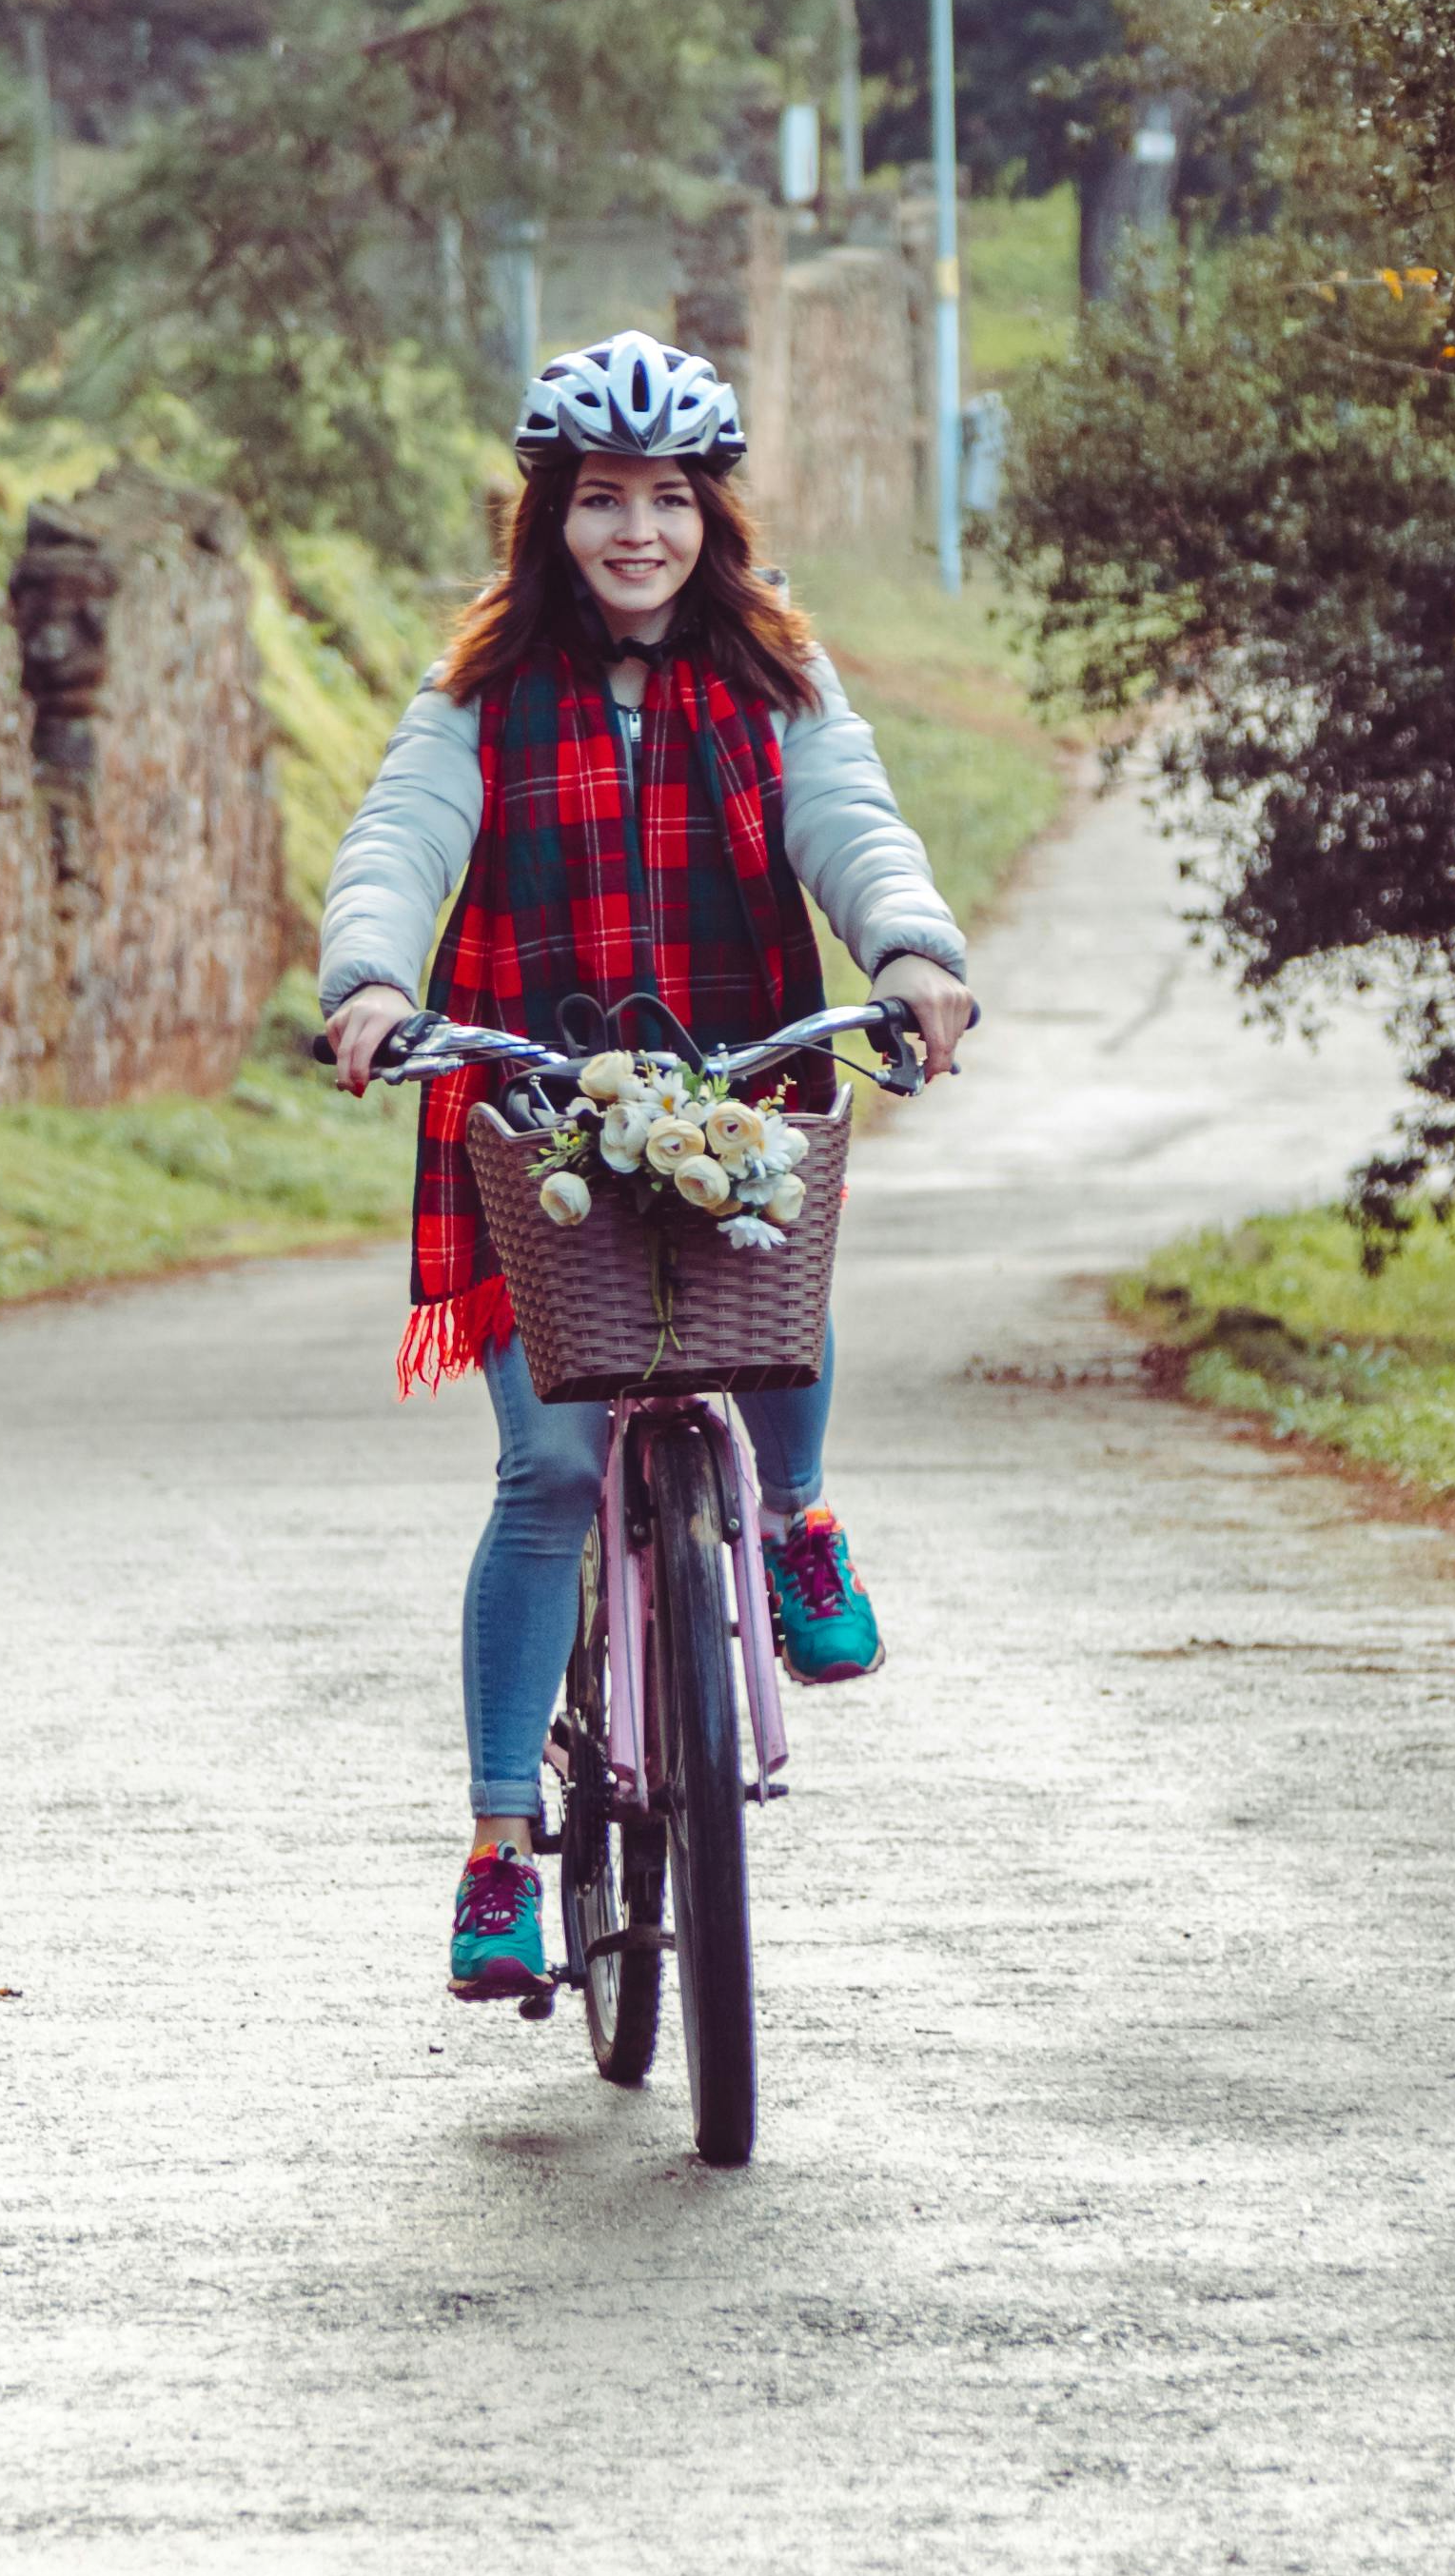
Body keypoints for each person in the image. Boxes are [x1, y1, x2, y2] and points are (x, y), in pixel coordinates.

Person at [317, 328, 985, 2001]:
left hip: (736, 1076)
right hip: (533, 1104)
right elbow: (403, 836)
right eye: (603, 498)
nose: (639, 532)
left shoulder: (778, 675)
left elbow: (851, 821)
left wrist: (910, 947)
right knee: (549, 1471)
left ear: (713, 515)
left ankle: (797, 1516)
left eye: (670, 499)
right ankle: (498, 1855)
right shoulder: (478, 691)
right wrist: (374, 981)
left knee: (775, 1271)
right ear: (549, 515)